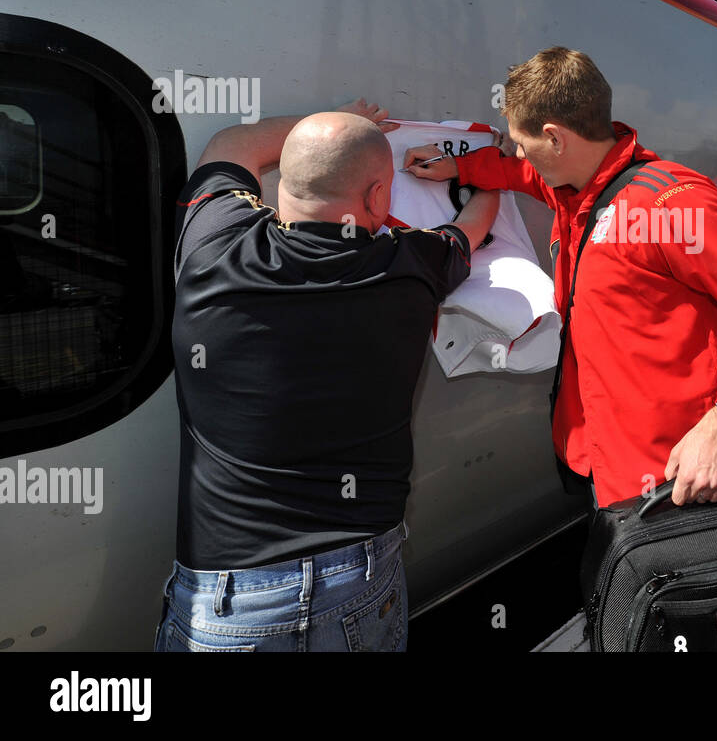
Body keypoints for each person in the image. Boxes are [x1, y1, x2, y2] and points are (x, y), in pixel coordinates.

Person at [405, 48, 717, 507]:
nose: (519, 151)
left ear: (555, 138)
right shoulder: (577, 189)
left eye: (520, 140)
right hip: (603, 465)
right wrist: (462, 168)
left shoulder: (671, 205)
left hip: (678, 481)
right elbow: (524, 175)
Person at [157, 99, 499, 652]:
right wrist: (488, 175)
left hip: (230, 602)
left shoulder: (212, 249)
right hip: (360, 580)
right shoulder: (414, 266)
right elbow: (472, 229)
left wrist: (335, 121)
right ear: (377, 198)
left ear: (283, 179)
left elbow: (231, 144)